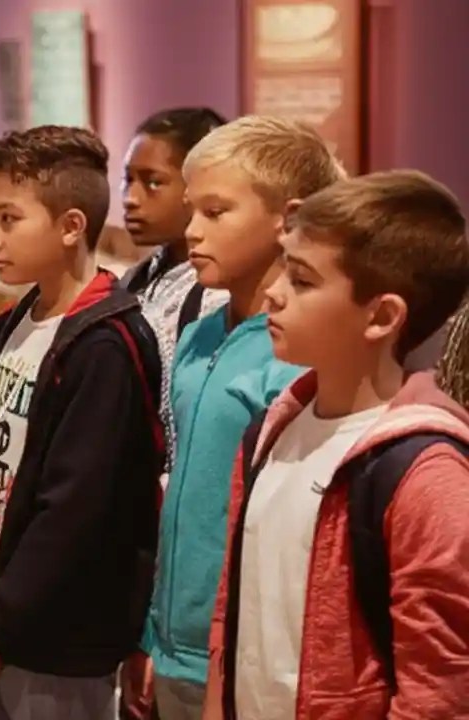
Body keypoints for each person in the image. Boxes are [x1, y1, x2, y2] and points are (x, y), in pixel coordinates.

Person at [203, 170, 469, 719]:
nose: (274, 293)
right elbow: (233, 609)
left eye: (302, 280)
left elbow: (439, 688)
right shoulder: (271, 429)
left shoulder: (427, 475)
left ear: (382, 316)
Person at [0, 125, 165, 720]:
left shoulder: (105, 346)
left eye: (10, 219)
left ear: (70, 227)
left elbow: (73, 511)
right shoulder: (3, 333)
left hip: (58, 640)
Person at [127, 116, 345, 720]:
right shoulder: (196, 337)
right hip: (173, 646)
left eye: (216, 212)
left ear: (287, 219)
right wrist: (149, 635)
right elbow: (181, 496)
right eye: (192, 211)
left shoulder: (301, 358)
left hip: (253, 659)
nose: (192, 231)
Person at [119, 108, 229, 483]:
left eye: (153, 182)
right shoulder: (136, 278)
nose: (131, 198)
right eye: (127, 179)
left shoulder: (217, 296)